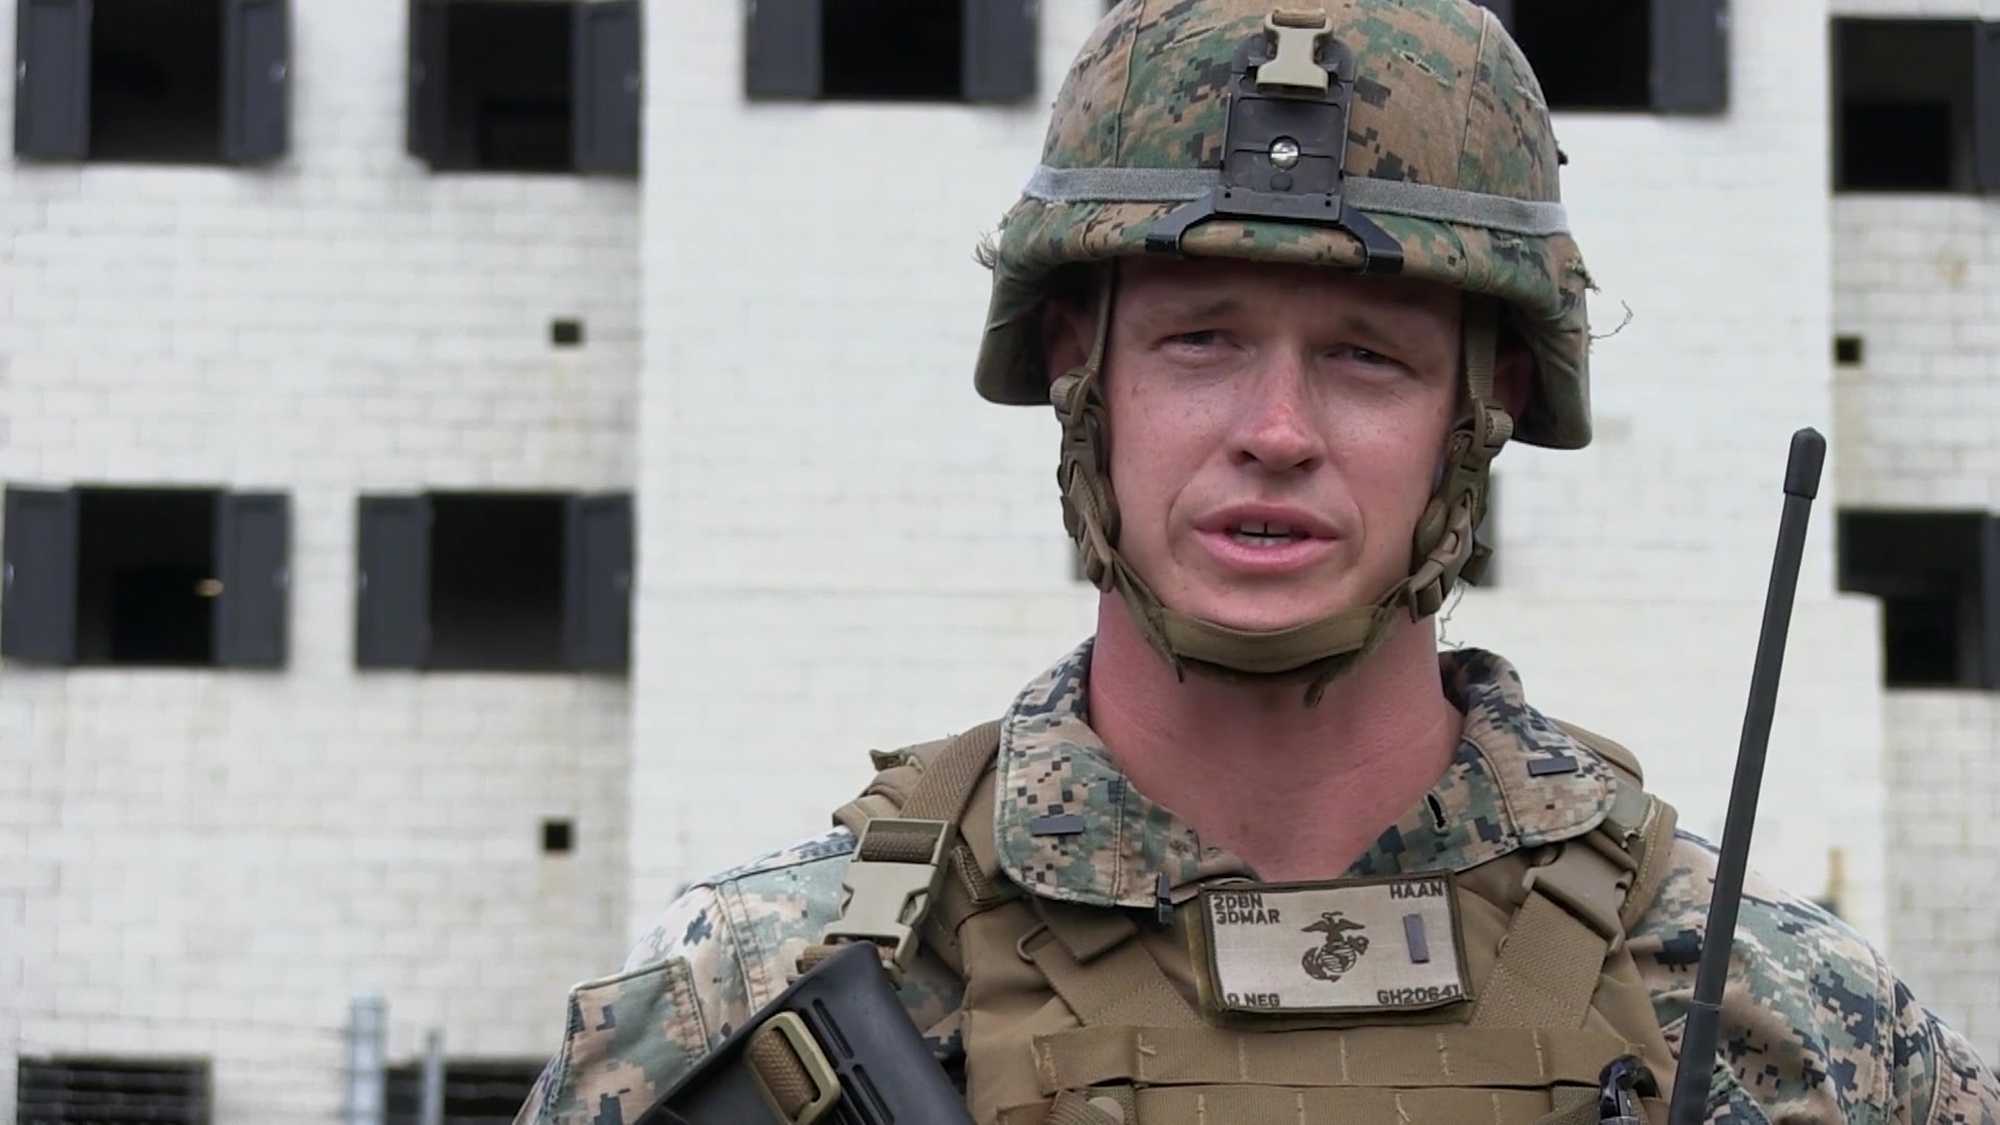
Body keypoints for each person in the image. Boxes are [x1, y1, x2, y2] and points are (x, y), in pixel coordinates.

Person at [512, 1, 2000, 1122]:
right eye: (1201, 339)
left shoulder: (1774, 1015)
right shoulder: (779, 1001)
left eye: (1367, 357)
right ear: (1081, 369)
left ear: (1484, 407)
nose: (1276, 432)